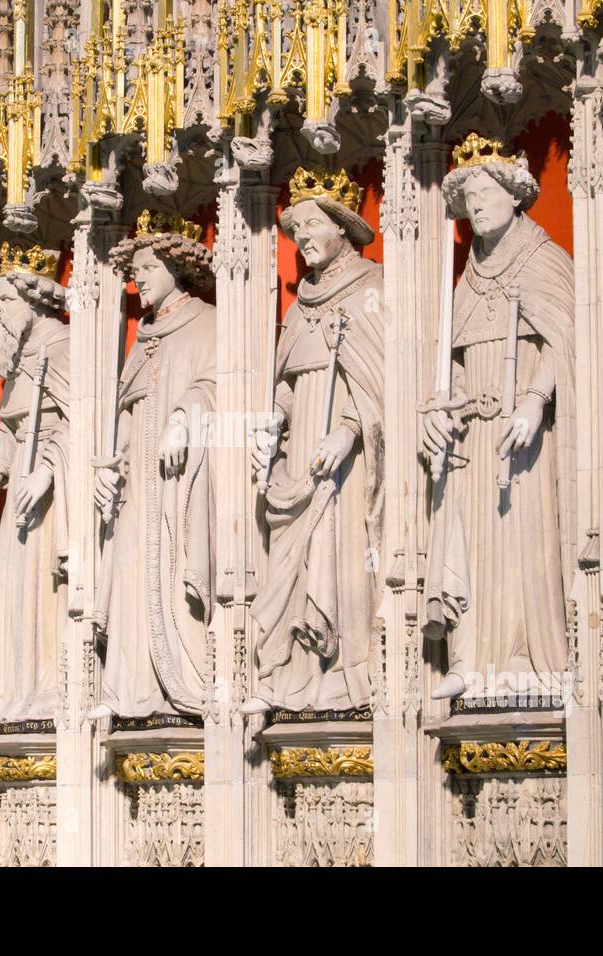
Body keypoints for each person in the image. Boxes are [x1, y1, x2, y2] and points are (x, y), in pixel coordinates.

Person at [420, 133, 576, 701]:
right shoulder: (468, 275)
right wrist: (441, 410)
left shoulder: (544, 260)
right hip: (475, 435)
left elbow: (569, 338)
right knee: (475, 541)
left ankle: (533, 657)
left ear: (515, 195)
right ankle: (473, 655)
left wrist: (537, 398)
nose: (476, 204)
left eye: (485, 191)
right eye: (468, 197)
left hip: (526, 435)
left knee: (525, 542)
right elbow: (453, 364)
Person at [243, 166, 385, 715]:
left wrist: (350, 431)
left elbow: (382, 381)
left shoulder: (373, 289)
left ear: (341, 228)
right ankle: (291, 679)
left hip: (343, 460)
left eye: (310, 224)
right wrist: (270, 421)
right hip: (299, 452)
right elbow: (287, 379)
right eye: (295, 228)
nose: (302, 238)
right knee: (289, 562)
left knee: (341, 557)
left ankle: (351, 679)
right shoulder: (300, 307)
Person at [89, 211, 216, 720]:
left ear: (174, 267)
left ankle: (186, 684)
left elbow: (220, 384)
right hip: (134, 484)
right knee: (128, 570)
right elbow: (126, 409)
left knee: (170, 564)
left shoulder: (207, 322)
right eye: (134, 269)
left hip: (177, 480)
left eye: (147, 267)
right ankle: (130, 690)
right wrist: (108, 465)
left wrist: (186, 416)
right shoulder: (142, 337)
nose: (138, 278)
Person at [0, 246, 71, 727]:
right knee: (12, 592)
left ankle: (47, 688)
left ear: (33, 301)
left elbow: (80, 422)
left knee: (43, 591)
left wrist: (48, 471)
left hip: (48, 496)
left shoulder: (64, 346)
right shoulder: (19, 360)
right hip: (19, 495)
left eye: (5, 304)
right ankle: (13, 687)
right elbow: (10, 428)